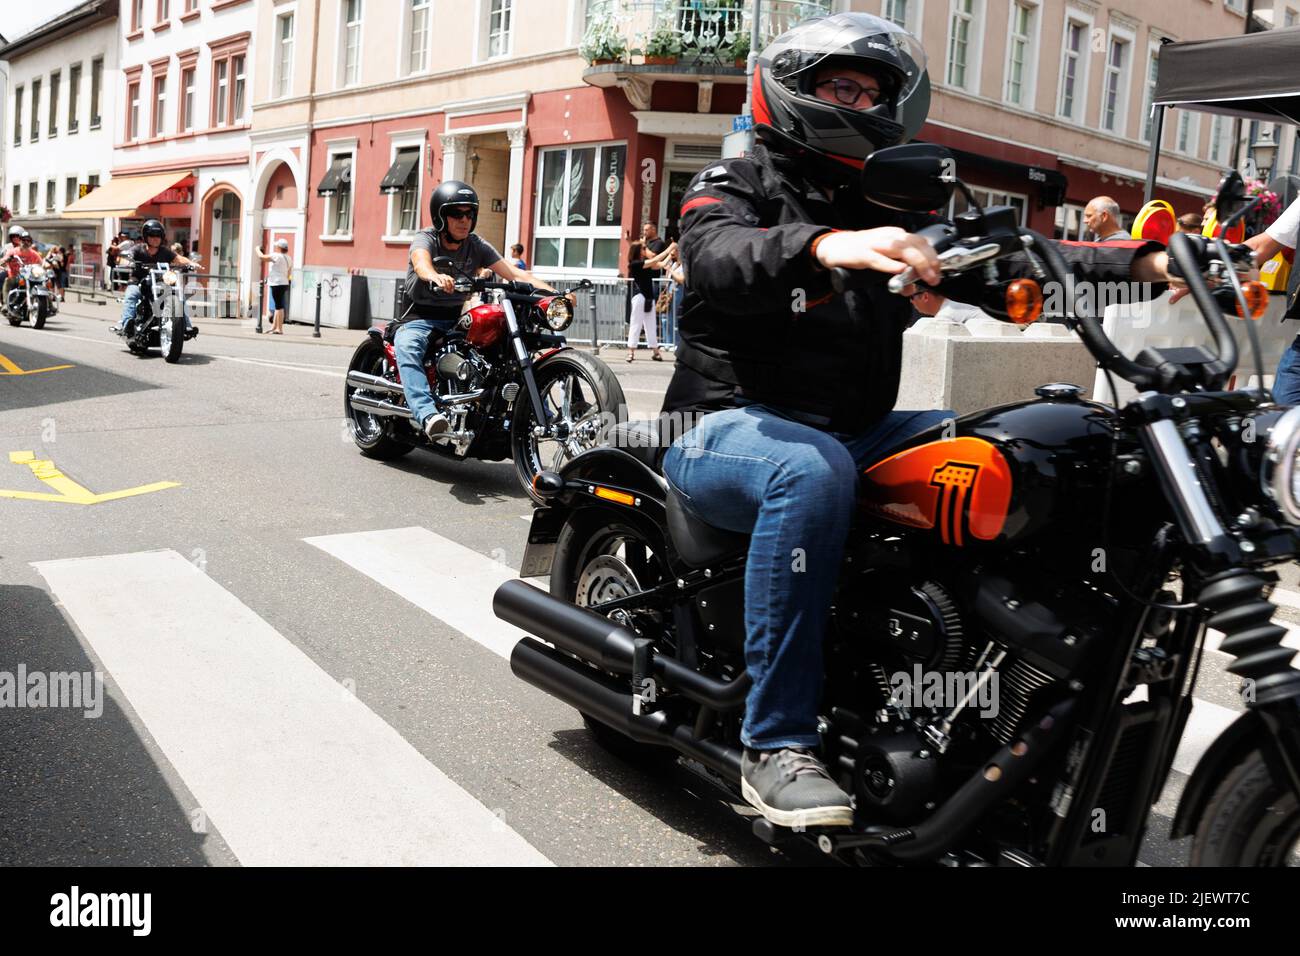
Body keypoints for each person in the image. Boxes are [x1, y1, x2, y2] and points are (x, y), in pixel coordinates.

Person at [660, 12, 1176, 829]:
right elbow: (717, 256)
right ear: (796, 90)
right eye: (843, 85)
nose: (861, 100)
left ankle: (995, 692)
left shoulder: (889, 195)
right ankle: (776, 743)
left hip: (855, 424)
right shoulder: (739, 177)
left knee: (1038, 445)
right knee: (809, 469)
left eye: (872, 89)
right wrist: (830, 247)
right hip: (724, 424)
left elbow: (1019, 261)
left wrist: (1149, 267)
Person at [402, 180, 571, 440]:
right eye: (457, 213)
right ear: (440, 215)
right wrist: (434, 276)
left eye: (469, 214)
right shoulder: (427, 238)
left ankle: (533, 414)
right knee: (409, 347)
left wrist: (554, 294)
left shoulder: (476, 244)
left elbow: (514, 272)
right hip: (418, 318)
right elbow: (420, 261)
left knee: (504, 353)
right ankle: (427, 415)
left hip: (456, 320)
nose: (464, 220)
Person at [111, 219, 196, 334]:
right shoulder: (138, 249)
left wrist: (191, 263)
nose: (155, 238)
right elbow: (128, 255)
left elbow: (178, 258)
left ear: (162, 237)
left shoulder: (165, 251)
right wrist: (129, 259)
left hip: (160, 283)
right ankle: (127, 324)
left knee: (179, 296)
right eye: (152, 235)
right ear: (146, 236)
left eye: (158, 235)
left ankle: (185, 326)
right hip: (139, 282)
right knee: (131, 295)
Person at [626, 240, 665, 362]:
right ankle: (631, 352)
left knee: (651, 325)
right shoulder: (635, 263)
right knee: (636, 324)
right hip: (639, 297)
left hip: (649, 298)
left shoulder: (646, 264)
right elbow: (654, 260)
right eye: (643, 248)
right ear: (638, 250)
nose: (645, 250)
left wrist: (670, 254)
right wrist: (669, 250)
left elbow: (660, 264)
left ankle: (656, 352)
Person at [255, 239, 293, 335]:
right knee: (278, 305)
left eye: (277, 246)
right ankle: (274, 327)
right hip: (284, 283)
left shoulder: (276, 255)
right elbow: (289, 273)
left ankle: (279, 329)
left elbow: (261, 257)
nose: (276, 247)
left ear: (280, 247)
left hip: (277, 283)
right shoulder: (289, 258)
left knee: (279, 306)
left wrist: (257, 249)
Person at [1, 228, 43, 314]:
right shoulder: (13, 251)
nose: (26, 242)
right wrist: (6, 260)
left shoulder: (34, 254)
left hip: (30, 277)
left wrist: (46, 266)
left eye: (28, 240)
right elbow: (2, 261)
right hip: (15, 276)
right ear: (20, 241)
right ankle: (6, 304)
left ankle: (48, 303)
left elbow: (41, 263)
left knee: (42, 282)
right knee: (7, 280)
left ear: (31, 242)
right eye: (23, 240)